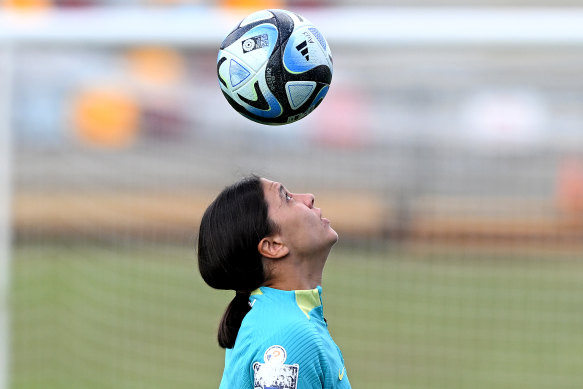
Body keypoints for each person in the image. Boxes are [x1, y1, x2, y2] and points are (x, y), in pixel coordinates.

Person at [197, 175, 351, 388]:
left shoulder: (281, 320)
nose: (308, 198)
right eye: (287, 197)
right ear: (273, 246)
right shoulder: (286, 337)